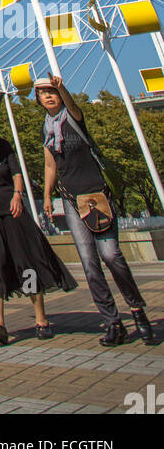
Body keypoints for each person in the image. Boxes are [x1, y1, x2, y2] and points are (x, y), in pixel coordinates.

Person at [36, 74, 155, 346]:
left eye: (51, 91)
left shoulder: (73, 118)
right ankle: (113, 322)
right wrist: (46, 195)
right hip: (69, 199)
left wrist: (61, 86)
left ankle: (138, 312)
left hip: (96, 195)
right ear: (39, 100)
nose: (49, 96)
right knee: (90, 265)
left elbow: (73, 106)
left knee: (111, 255)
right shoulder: (46, 129)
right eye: (43, 93)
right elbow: (50, 165)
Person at [0, 101, 77, 344]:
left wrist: (17, 195)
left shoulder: (1, 145)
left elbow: (15, 172)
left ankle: (41, 320)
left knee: (28, 264)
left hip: (13, 213)